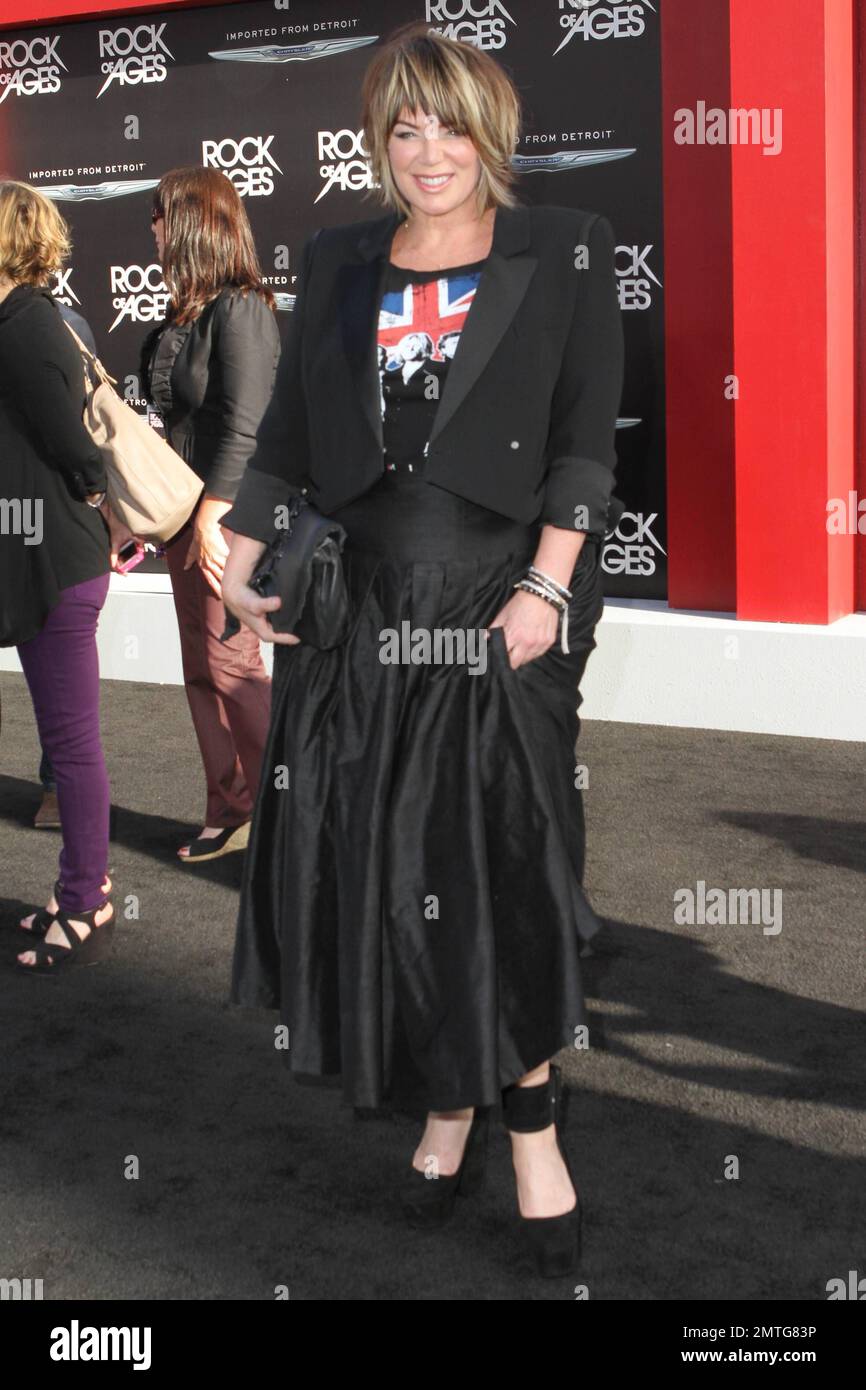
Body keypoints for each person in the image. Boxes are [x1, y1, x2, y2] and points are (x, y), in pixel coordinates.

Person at [221, 24, 624, 1277]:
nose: (427, 150)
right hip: (361, 614)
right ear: (379, 141)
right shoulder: (339, 256)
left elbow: (578, 447)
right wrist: (243, 553)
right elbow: (287, 436)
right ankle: (448, 1101)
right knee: (385, 867)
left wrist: (544, 595)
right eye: (403, 127)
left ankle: (533, 1125)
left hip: (497, 605)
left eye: (448, 125)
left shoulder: (558, 249)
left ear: (487, 132)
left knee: (498, 862)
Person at [0, 181, 128, 971]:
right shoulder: (15, 321)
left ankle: (88, 900)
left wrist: (93, 502)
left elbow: (76, 447)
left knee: (72, 743)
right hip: (39, 551)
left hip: (61, 559)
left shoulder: (26, 323)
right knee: (65, 737)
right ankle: (78, 888)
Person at [140, 168, 279, 862]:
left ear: (195, 222)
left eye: (162, 217)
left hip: (227, 519)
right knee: (201, 665)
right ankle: (230, 807)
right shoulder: (181, 314)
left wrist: (212, 515)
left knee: (233, 667)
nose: (155, 230)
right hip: (181, 521)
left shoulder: (243, 307)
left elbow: (248, 427)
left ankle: (288, 816)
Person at [32, 301, 100, 831]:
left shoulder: (58, 325)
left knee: (59, 679)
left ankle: (57, 784)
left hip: (52, 526)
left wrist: (97, 495)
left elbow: (79, 437)